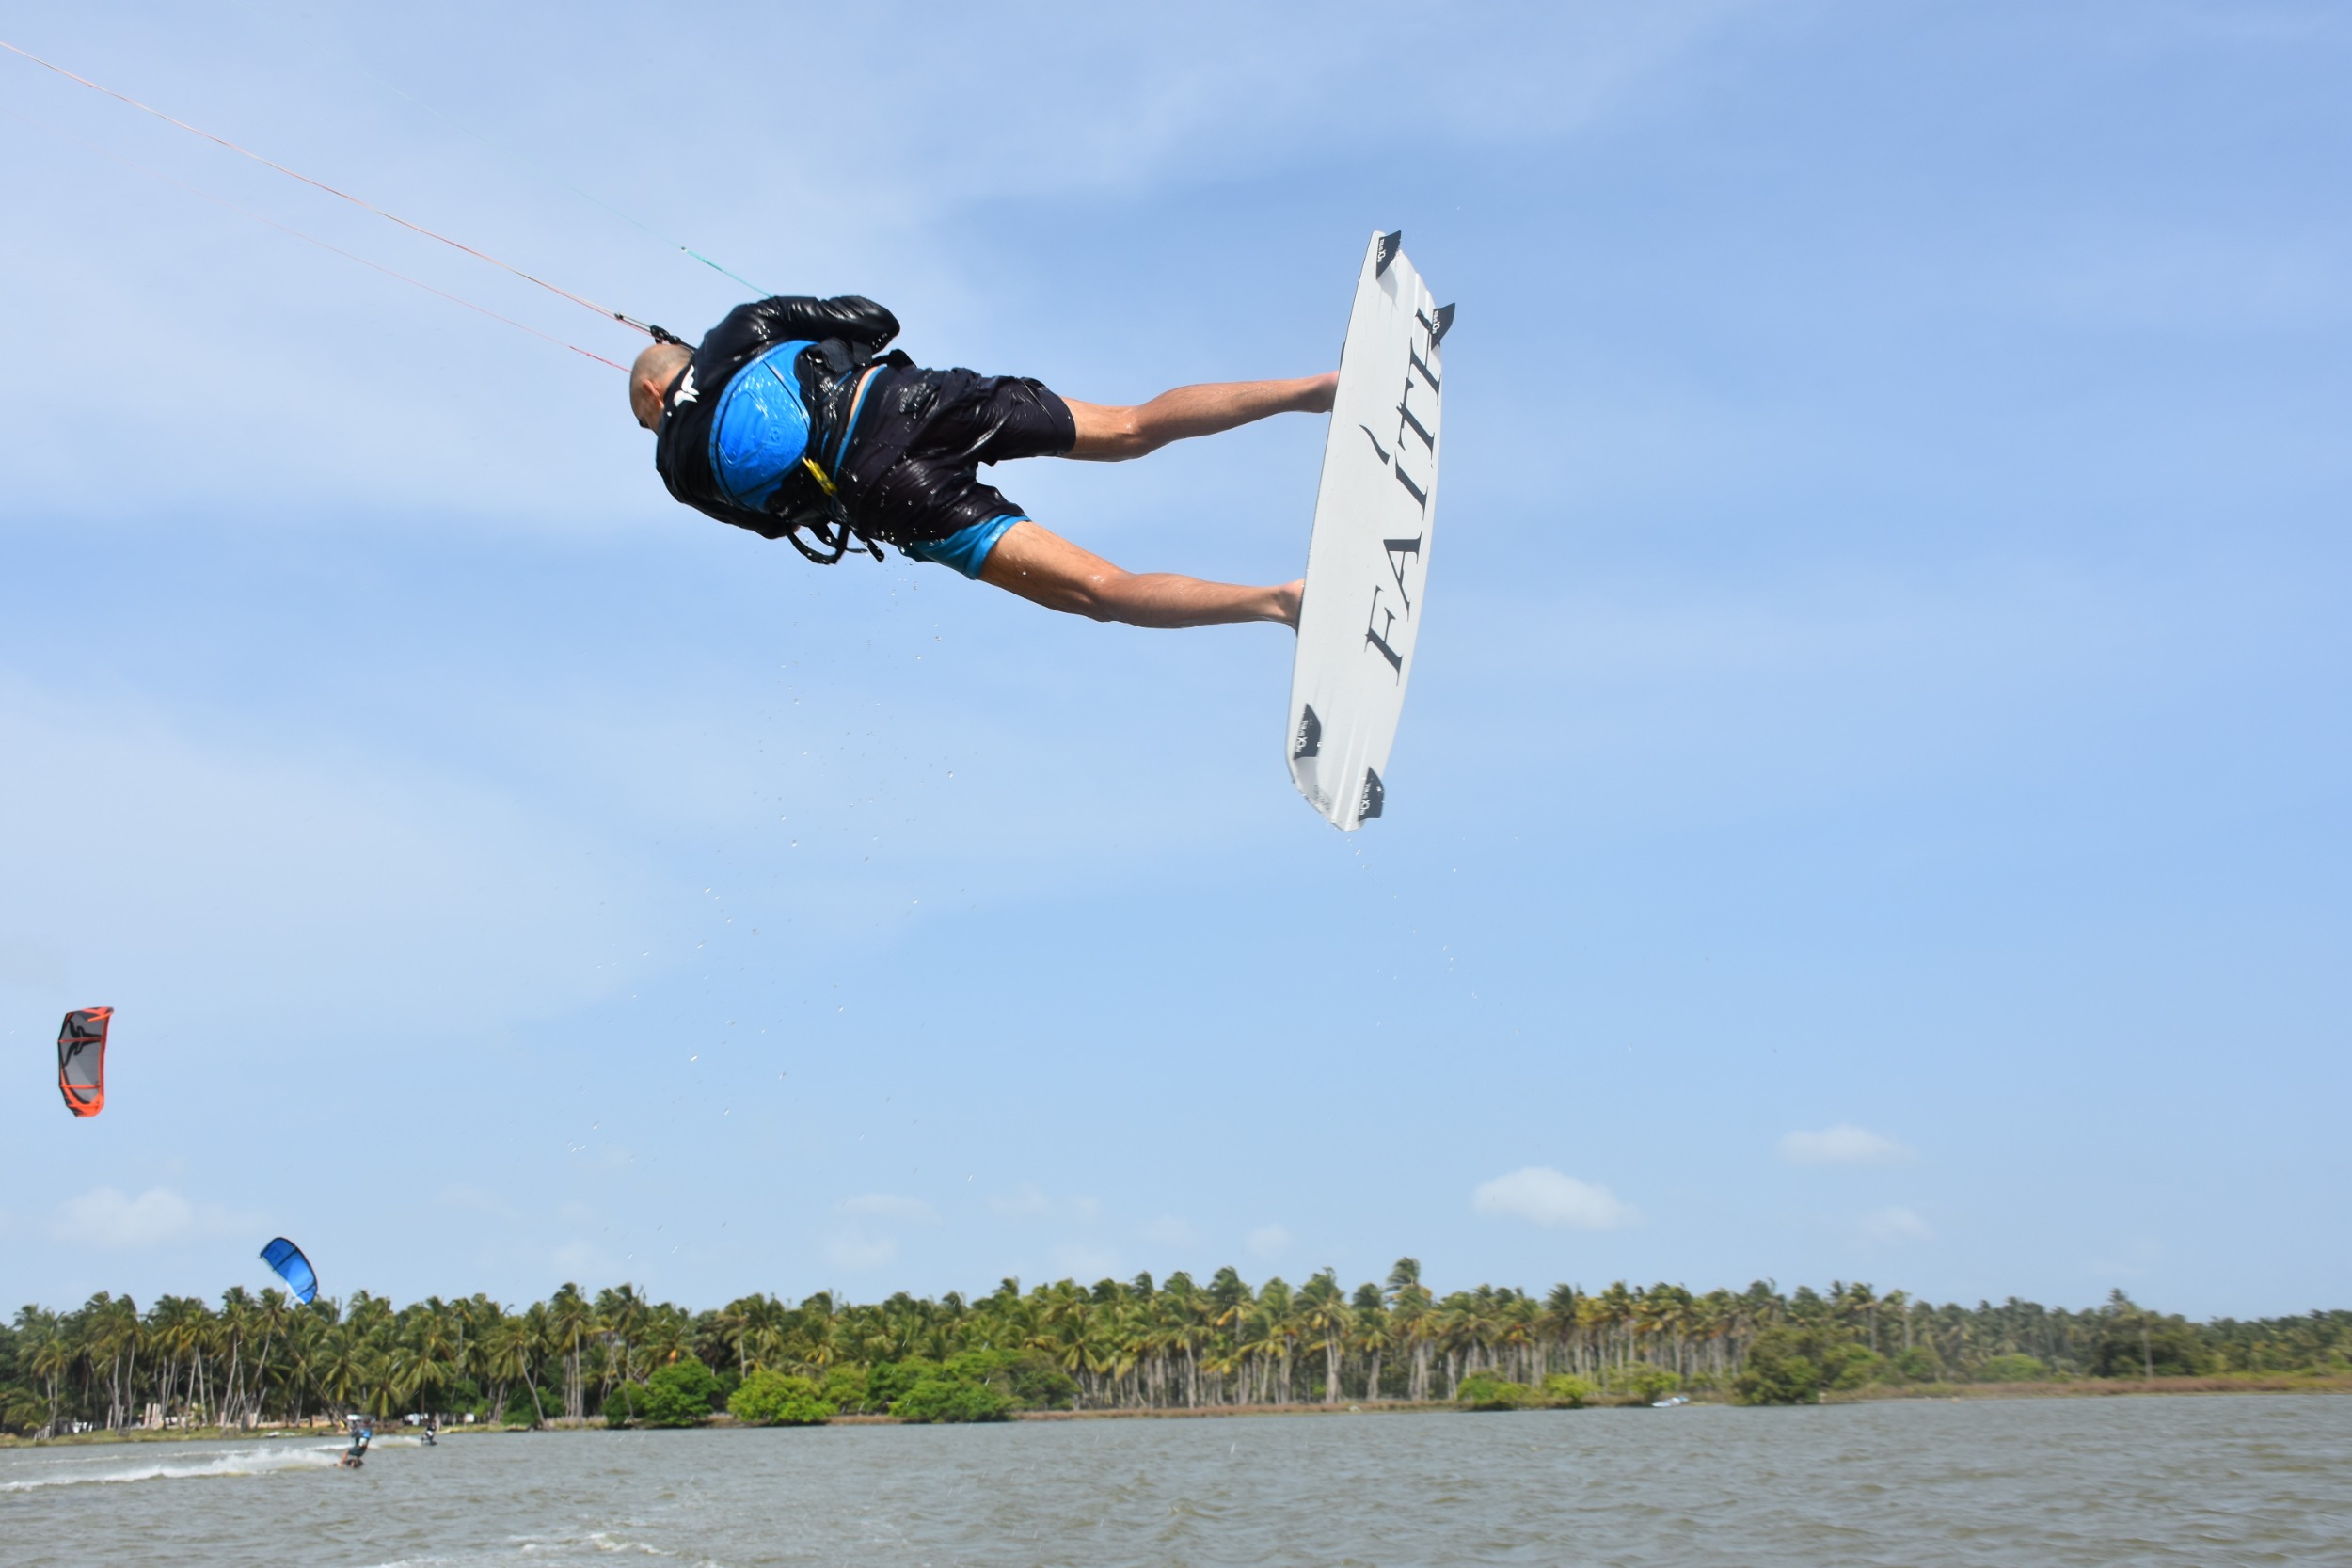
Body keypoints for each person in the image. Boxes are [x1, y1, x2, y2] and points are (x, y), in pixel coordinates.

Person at [631, 296, 1333, 628]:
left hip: (887, 494)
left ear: (652, 395)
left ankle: (1282, 602)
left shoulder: (676, 471)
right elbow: (876, 320)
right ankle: (1320, 390)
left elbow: (777, 518)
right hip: (907, 402)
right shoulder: (739, 327)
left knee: (1102, 590)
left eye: (645, 418)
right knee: (1130, 427)